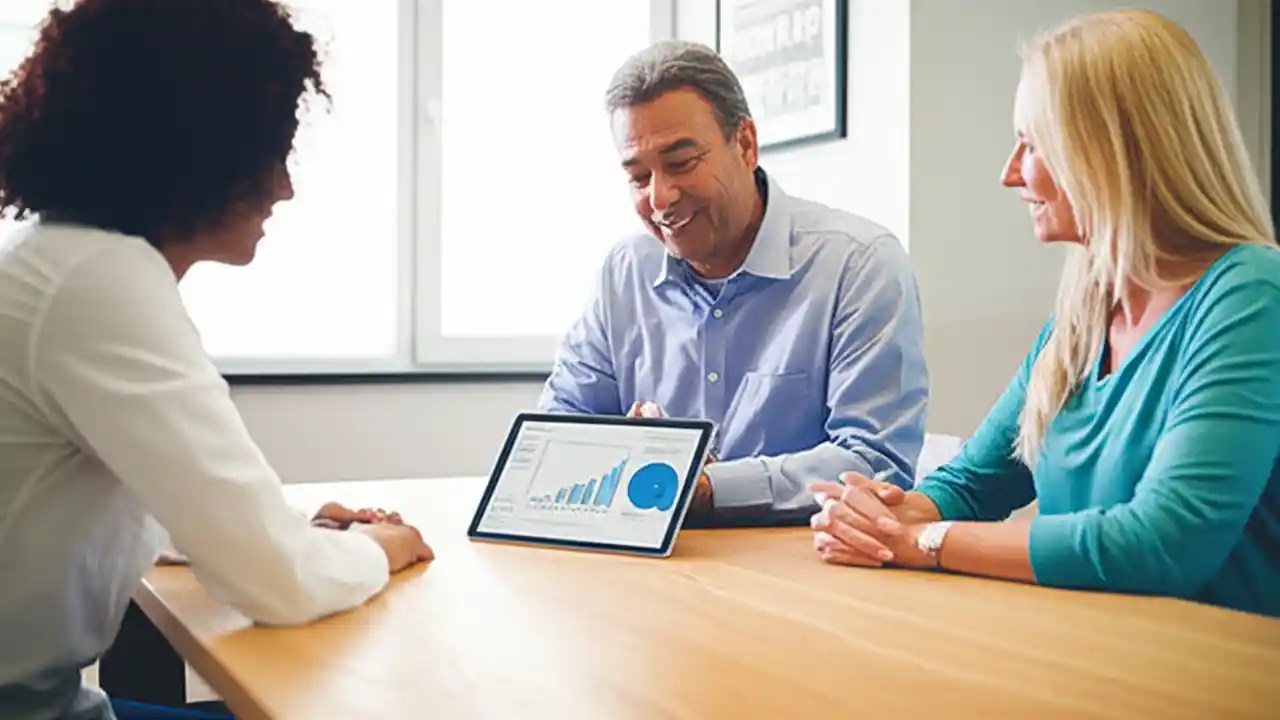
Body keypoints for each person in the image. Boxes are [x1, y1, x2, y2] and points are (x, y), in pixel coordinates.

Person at [0, 1, 433, 718]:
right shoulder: (98, 281)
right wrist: (384, 547)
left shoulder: (56, 259)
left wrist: (286, 522)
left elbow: (111, 495)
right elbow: (278, 585)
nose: (284, 186)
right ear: (199, 149)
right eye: (275, 152)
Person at [810, 9, 1280, 617]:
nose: (1010, 173)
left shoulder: (1250, 294)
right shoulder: (1081, 316)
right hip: (1085, 653)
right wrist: (884, 517)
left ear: (1109, 152)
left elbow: (1164, 544)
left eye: (1031, 144)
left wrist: (926, 541)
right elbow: (975, 483)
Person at [539, 41, 929, 525]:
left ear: (745, 143)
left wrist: (705, 487)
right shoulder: (625, 271)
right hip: (651, 569)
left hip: (805, 572)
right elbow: (554, 438)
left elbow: (874, 464)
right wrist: (627, 449)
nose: (660, 198)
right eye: (639, 177)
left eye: (681, 163)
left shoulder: (859, 264)